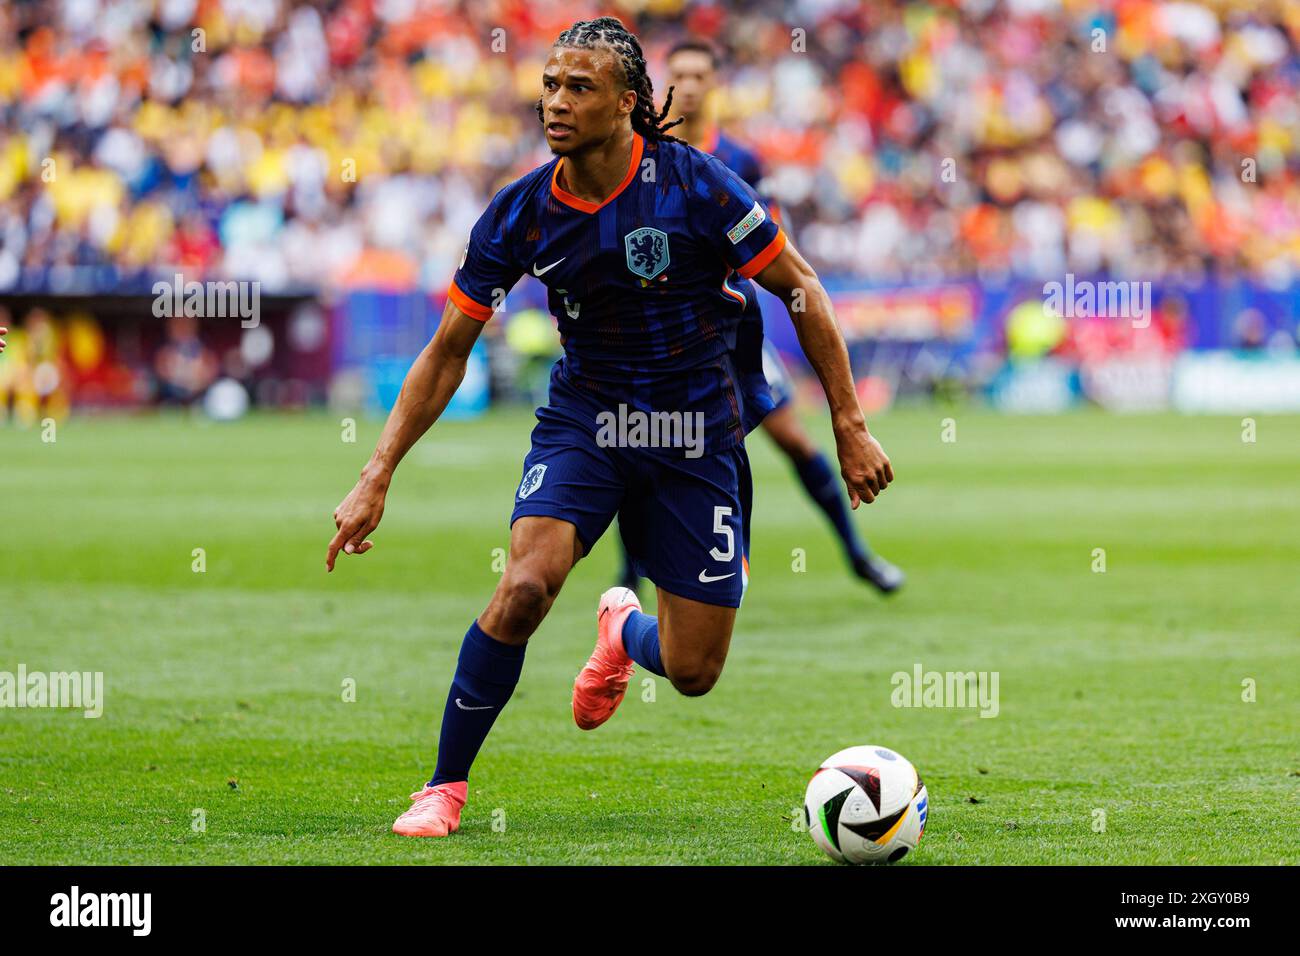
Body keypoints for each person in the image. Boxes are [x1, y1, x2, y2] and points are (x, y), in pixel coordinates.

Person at [326, 17, 893, 839]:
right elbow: (447, 350)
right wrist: (377, 472)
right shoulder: (519, 212)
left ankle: (623, 632)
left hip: (697, 433)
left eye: (578, 88)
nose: (555, 102)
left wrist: (848, 422)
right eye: (550, 85)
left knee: (695, 670)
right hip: (588, 421)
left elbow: (799, 287)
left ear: (626, 103)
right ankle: (443, 788)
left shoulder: (697, 186)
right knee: (523, 587)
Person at [614, 39, 903, 594]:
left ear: (714, 83)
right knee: (639, 448)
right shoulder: (638, 153)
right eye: (679, 73)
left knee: (794, 438)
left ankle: (859, 554)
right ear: (659, 82)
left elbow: (765, 247)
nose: (689, 85)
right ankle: (630, 579)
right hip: (654, 332)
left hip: (729, 326)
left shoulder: (741, 161)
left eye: (700, 74)